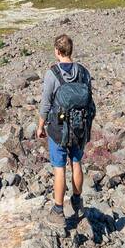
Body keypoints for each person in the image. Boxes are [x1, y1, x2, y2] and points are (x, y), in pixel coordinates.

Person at [37, 33, 94, 220]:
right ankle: (77, 202)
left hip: (58, 129)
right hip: (79, 128)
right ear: (71, 50)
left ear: (57, 51)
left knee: (59, 168)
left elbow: (45, 103)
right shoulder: (84, 72)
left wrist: (40, 126)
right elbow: (90, 103)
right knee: (76, 163)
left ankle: (58, 211)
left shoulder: (52, 73)